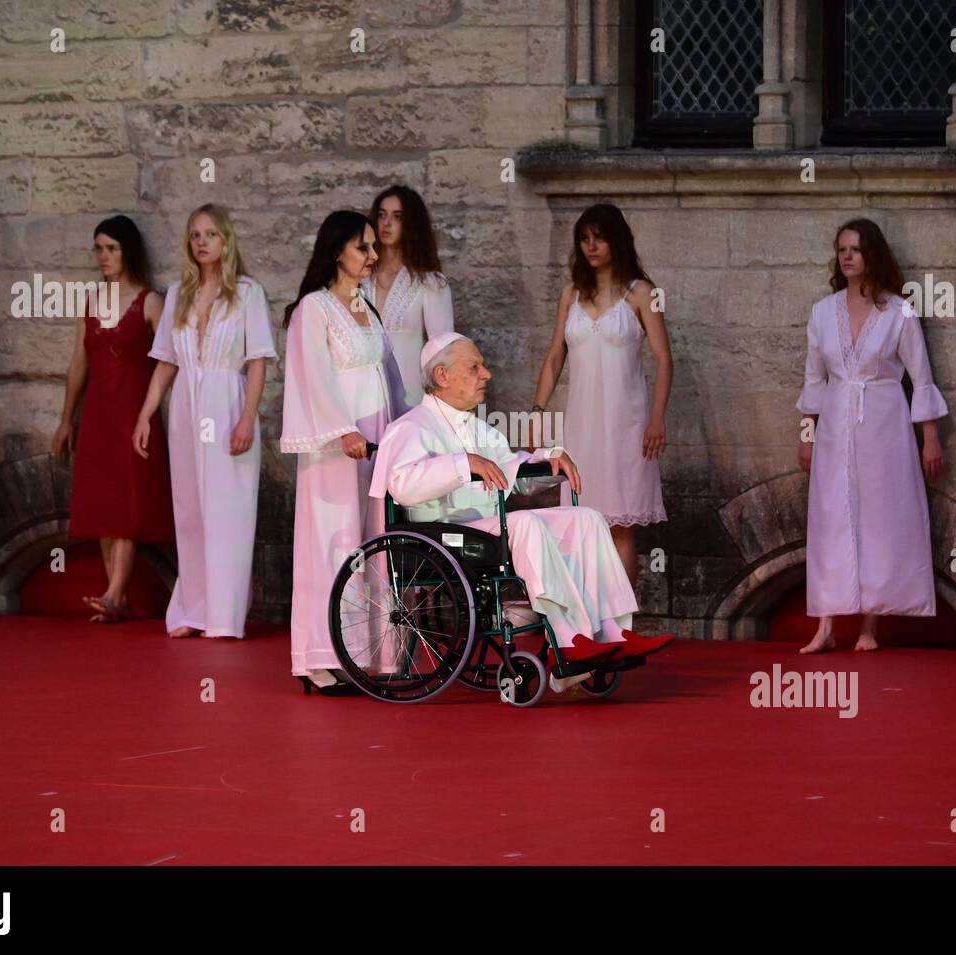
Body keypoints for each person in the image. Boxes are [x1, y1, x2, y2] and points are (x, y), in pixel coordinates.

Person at [370, 332, 674, 682]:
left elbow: (514, 473)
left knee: (587, 518)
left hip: (483, 529)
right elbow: (403, 486)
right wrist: (462, 463)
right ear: (442, 376)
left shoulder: (480, 429)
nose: (487, 374)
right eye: (475, 367)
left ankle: (611, 632)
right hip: (441, 536)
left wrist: (550, 460)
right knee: (525, 524)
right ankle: (566, 637)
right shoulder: (408, 427)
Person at [797, 218, 947, 654]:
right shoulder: (823, 312)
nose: (846, 256)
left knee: (880, 515)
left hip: (884, 423)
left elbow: (920, 377)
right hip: (835, 422)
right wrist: (807, 435)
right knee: (830, 517)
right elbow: (812, 380)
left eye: (856, 249)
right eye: (842, 249)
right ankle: (825, 625)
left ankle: (869, 626)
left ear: (872, 255)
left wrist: (931, 438)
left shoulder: (899, 311)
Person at [133, 204, 276, 638]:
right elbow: (165, 363)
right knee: (190, 510)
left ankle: (225, 615)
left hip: (227, 402)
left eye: (210, 234)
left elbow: (256, 363)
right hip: (185, 408)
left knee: (227, 510)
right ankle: (195, 609)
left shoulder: (248, 293)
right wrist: (144, 414)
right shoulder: (178, 293)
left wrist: (247, 419)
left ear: (226, 240)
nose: (201, 242)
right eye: (195, 235)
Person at [280, 210, 406, 695]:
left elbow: (387, 372)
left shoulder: (368, 307)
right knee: (333, 541)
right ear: (337, 251)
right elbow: (313, 375)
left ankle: (368, 652)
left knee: (371, 540)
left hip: (374, 439)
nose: (374, 256)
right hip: (336, 446)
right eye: (363, 248)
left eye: (375, 247)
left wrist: (407, 424)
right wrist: (343, 429)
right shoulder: (313, 308)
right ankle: (320, 657)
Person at [531, 203, 671, 589]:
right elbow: (555, 354)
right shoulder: (570, 294)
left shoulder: (642, 293)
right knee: (581, 520)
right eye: (585, 239)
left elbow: (664, 360)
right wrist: (537, 412)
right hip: (582, 426)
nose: (592, 246)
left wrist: (657, 419)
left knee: (622, 526)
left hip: (628, 424)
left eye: (600, 238)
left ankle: (622, 625)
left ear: (617, 240)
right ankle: (585, 620)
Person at [52, 215, 174, 623]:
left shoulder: (151, 301)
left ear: (128, 251)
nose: (103, 256)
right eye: (99, 248)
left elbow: (170, 360)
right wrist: (66, 419)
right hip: (99, 415)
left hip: (135, 414)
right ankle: (116, 596)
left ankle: (114, 592)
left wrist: (156, 411)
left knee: (128, 502)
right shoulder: (90, 302)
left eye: (111, 248)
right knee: (104, 503)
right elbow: (78, 364)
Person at [360, 184, 454, 407]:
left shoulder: (431, 283)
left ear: (411, 223)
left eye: (397, 216)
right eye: (381, 215)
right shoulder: (360, 279)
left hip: (410, 399)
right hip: (362, 399)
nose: (386, 223)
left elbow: (443, 351)